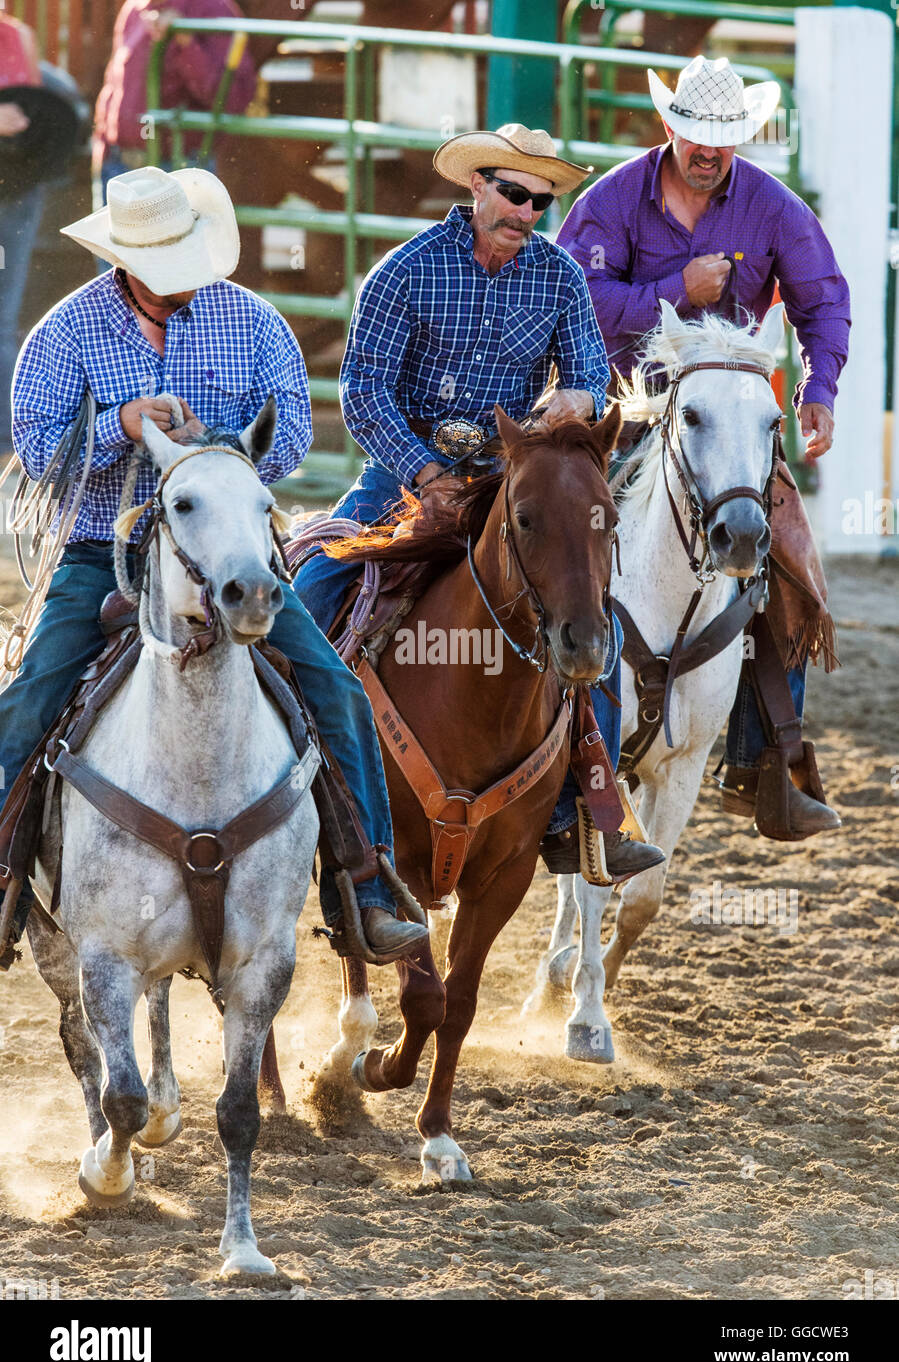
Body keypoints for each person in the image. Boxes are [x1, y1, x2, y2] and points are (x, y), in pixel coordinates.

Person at [0, 166, 427, 969]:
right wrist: (122, 423)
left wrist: (218, 444)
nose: (175, 289)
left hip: (231, 550)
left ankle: (365, 890)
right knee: (32, 695)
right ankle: (3, 875)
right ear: (123, 260)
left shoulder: (253, 323)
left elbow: (292, 436)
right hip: (109, 551)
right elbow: (36, 454)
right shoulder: (66, 330)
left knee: (335, 688)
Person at [293, 122, 665, 882]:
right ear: (477, 186)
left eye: (539, 199)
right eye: (513, 192)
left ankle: (587, 813)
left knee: (597, 623)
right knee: (310, 589)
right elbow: (362, 391)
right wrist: (424, 472)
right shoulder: (405, 271)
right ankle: (293, 775)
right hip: (405, 476)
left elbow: (592, 375)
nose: (526, 210)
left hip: (512, 479)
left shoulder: (559, 277)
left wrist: (576, 398)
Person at [557, 57, 847, 839]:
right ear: (669, 128)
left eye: (722, 137)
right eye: (695, 134)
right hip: (613, 408)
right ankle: (536, 741)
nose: (706, 150)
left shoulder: (773, 208)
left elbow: (823, 299)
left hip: (724, 417)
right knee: (544, 537)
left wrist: (818, 389)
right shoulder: (611, 199)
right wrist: (675, 291)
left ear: (739, 139)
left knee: (792, 567)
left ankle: (768, 762)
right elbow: (570, 294)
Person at [93, 0, 257, 201]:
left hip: (177, 172)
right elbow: (113, 84)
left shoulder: (214, 10)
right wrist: (102, 149)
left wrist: (185, 40)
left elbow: (233, 98)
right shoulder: (135, 8)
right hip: (119, 167)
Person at [0, 9, 45, 454]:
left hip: (15, 187)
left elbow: (40, 110)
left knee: (3, 317)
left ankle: (13, 436)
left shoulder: (17, 35)